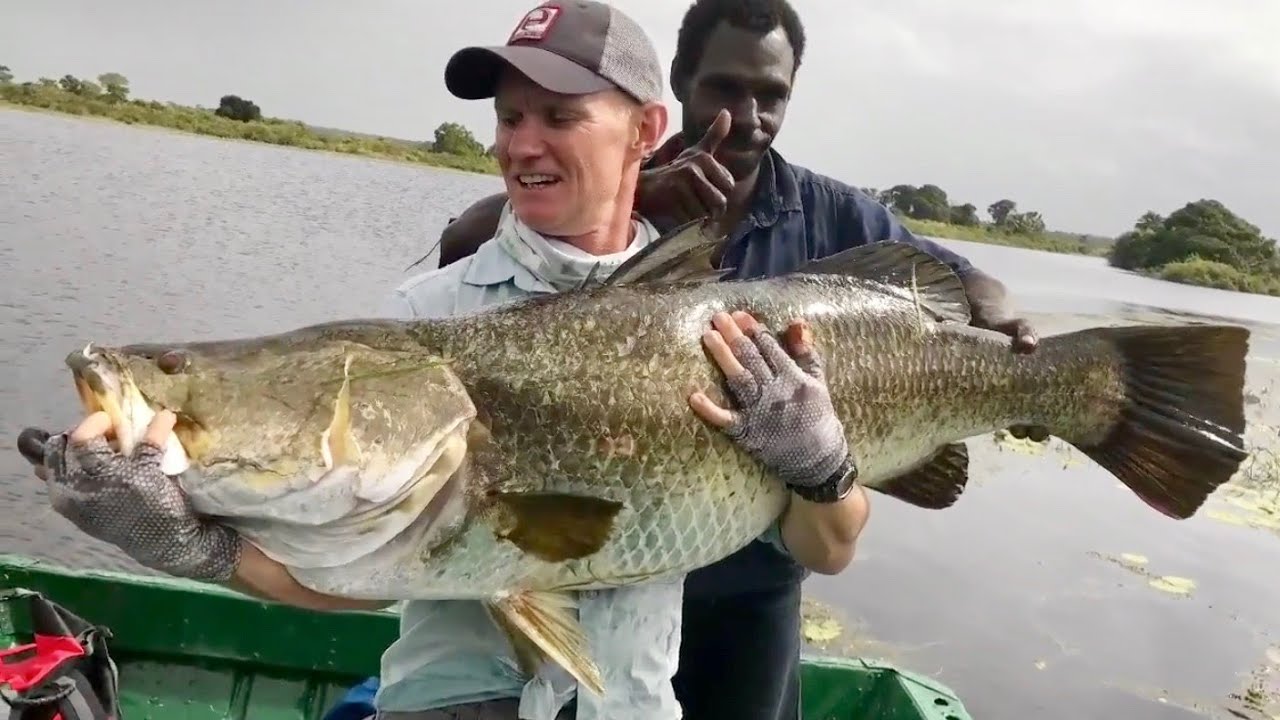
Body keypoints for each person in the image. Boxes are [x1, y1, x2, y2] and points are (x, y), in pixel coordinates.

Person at [16, 2, 873, 720]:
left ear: (647, 130)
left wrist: (819, 462)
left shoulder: (734, 334)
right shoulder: (424, 316)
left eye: (560, 117)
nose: (521, 145)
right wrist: (183, 543)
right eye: (509, 117)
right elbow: (360, 578)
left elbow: (827, 550)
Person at [428, 1, 1041, 719]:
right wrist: (639, 194)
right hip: (598, 573)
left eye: (772, 95)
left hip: (754, 582)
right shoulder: (603, 181)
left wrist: (1013, 344)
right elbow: (465, 249)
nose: (748, 114)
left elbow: (954, 281)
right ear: (682, 83)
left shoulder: (832, 215)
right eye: (724, 88)